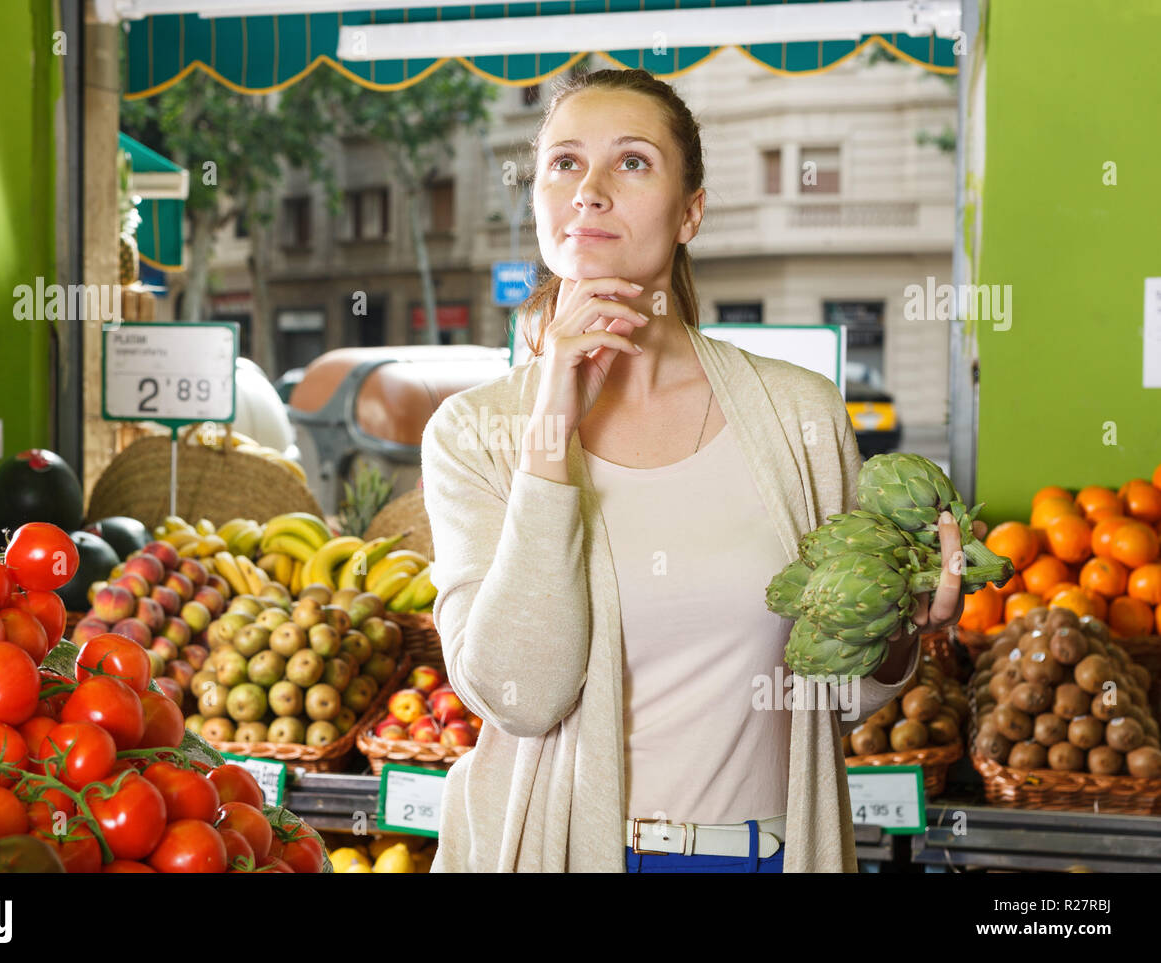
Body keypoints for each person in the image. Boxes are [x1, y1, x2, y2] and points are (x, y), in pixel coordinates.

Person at [419, 68, 982, 873]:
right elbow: (520, 695)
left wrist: (899, 629)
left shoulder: (800, 415)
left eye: (634, 162)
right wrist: (551, 426)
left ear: (692, 212)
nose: (590, 191)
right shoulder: (475, 434)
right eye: (564, 163)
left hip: (765, 854)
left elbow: (841, 694)